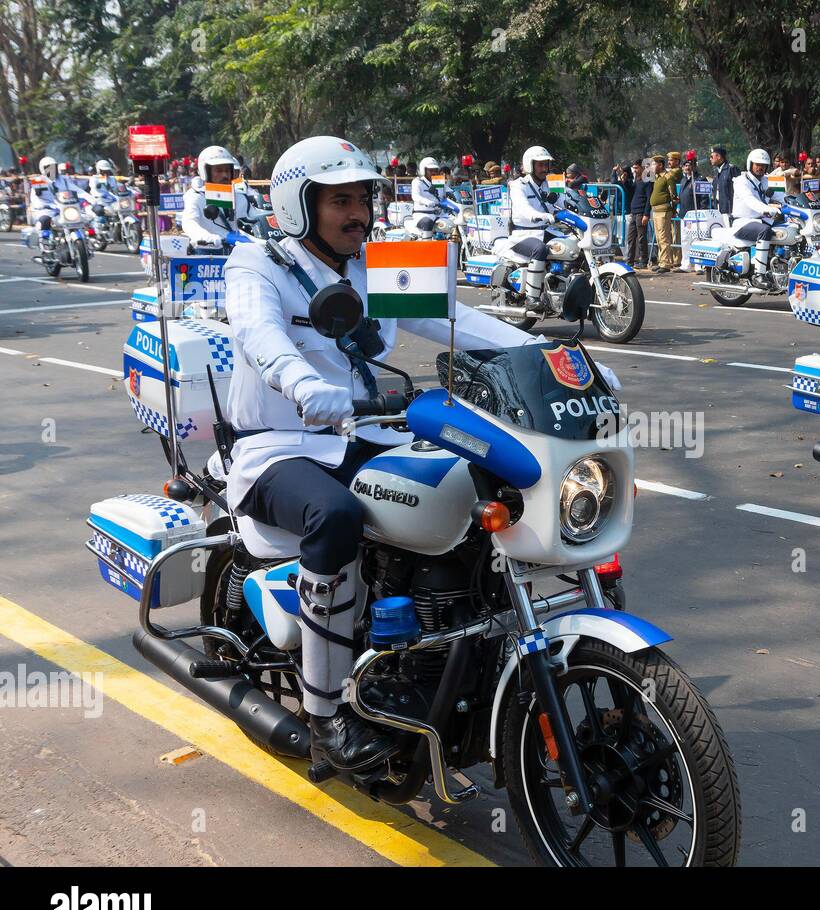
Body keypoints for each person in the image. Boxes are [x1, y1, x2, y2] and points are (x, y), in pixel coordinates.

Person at [222, 135, 618, 773]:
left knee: (473, 492)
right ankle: (326, 717)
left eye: (363, 198)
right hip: (280, 447)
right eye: (340, 200)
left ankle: (432, 653)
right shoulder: (256, 265)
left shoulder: (380, 264)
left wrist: (564, 363)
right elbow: (259, 335)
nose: (357, 213)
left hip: (365, 433)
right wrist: (303, 386)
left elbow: (457, 320)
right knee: (337, 519)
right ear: (299, 205)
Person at [506, 144, 563, 306]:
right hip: (523, 235)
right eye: (540, 164)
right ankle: (532, 298)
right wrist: (544, 216)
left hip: (547, 231)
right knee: (540, 249)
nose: (544, 168)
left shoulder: (551, 184)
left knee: (573, 245)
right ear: (530, 165)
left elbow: (563, 203)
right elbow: (524, 210)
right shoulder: (518, 185)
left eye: (546, 164)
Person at [719, 147, 784, 285]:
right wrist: (767, 209)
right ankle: (758, 275)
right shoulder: (741, 181)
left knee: (789, 228)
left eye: (763, 165)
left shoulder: (767, 181)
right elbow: (750, 200)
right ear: (750, 164)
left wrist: (794, 206)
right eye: (758, 164)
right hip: (742, 222)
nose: (760, 168)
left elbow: (782, 197)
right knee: (764, 231)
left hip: (762, 220)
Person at [180, 145, 251, 247]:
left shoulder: (240, 196)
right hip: (213, 253)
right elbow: (189, 223)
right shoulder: (196, 196)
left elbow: (255, 217)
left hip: (243, 251)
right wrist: (209, 238)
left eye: (227, 171)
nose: (225, 175)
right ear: (205, 172)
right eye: (219, 171)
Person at [28, 155, 94, 230]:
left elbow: (78, 191)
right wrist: (50, 205)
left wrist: (93, 200)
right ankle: (44, 241)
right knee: (44, 220)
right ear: (43, 169)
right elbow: (37, 199)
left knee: (87, 218)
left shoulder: (63, 179)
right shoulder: (38, 181)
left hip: (64, 209)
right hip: (46, 210)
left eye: (54, 167)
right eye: (49, 167)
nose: (53, 169)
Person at [649, 152, 683, 272]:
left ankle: (666, 264)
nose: (652, 167)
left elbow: (673, 195)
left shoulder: (668, 177)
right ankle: (662, 261)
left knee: (664, 238)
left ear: (660, 165)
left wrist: (673, 209)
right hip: (656, 211)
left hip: (664, 211)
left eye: (654, 164)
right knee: (659, 238)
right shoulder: (658, 178)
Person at [627, 160, 652, 269]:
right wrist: (624, 181)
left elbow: (649, 198)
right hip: (634, 212)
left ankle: (644, 260)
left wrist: (646, 214)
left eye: (636, 168)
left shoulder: (647, 180)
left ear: (642, 168)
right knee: (631, 238)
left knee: (641, 238)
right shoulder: (636, 180)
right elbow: (631, 191)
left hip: (641, 212)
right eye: (634, 168)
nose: (635, 170)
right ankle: (630, 260)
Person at [710, 146, 739, 216]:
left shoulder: (731, 169)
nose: (710, 159)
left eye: (712, 156)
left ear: (718, 157)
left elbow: (739, 190)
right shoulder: (717, 172)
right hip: (718, 211)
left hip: (730, 211)